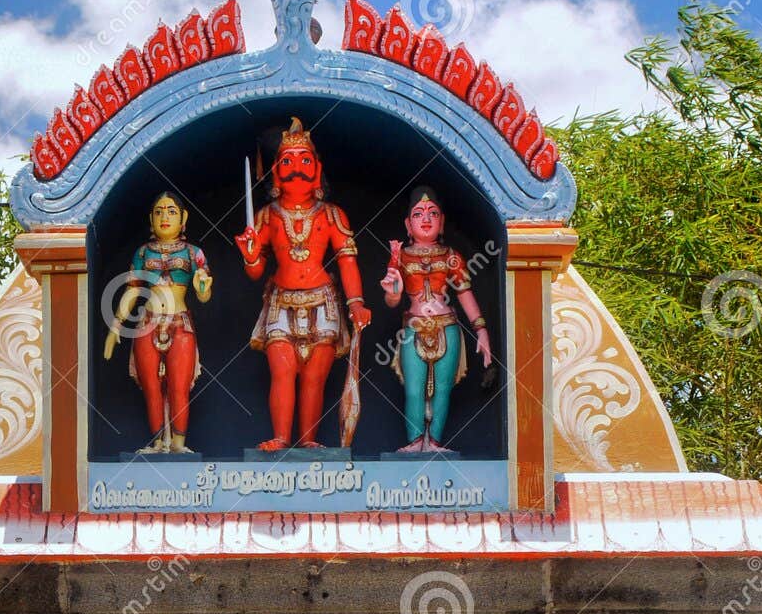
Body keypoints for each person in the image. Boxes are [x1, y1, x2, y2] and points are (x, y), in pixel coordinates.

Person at [234, 118, 371, 452]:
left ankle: (309, 439)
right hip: (281, 301)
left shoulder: (332, 215)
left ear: (318, 169)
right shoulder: (268, 216)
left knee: (314, 376)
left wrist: (355, 303)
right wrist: (251, 256)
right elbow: (255, 272)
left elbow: (347, 260)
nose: (297, 169)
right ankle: (281, 436)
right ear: (277, 174)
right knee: (282, 369)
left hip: (323, 300)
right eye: (288, 162)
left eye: (305, 161)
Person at [381, 187, 492, 453]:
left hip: (448, 326)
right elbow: (392, 300)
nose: (426, 219)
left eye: (433, 213)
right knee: (413, 389)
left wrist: (482, 330)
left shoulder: (451, 256)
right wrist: (392, 293)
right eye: (418, 214)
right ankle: (415, 441)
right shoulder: (402, 257)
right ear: (408, 224)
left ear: (441, 221)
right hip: (413, 327)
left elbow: (464, 293)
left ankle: (436, 443)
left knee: (443, 388)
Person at [104, 191, 212, 453]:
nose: (165, 216)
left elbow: (204, 295)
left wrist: (202, 287)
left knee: (179, 385)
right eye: (159, 211)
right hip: (147, 321)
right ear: (151, 219)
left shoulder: (193, 253)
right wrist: (116, 326)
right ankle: (156, 442)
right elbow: (132, 291)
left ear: (183, 218)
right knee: (150, 386)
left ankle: (177, 443)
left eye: (172, 211)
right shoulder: (143, 253)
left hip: (180, 322)